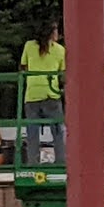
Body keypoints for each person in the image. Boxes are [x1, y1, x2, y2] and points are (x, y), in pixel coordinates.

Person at [18, 20, 66, 165]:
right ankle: (61, 162)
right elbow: (62, 73)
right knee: (57, 131)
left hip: (32, 93)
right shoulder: (60, 50)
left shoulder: (29, 46)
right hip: (51, 93)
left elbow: (23, 67)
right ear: (52, 33)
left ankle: (33, 162)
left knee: (32, 132)